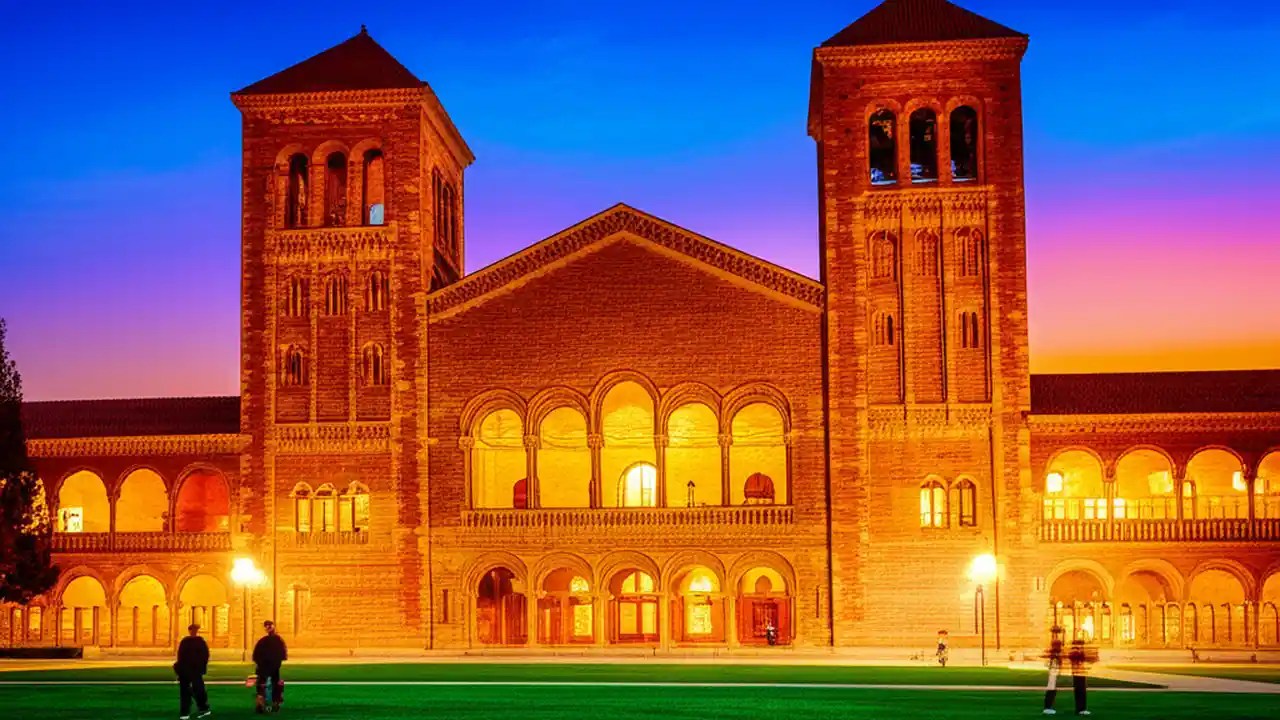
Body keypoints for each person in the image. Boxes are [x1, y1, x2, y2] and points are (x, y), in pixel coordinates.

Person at [174, 623, 211, 720]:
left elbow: (204, 656)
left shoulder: (196, 641)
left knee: (196, 690)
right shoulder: (189, 641)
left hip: (192, 670)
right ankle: (188, 711)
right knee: (190, 691)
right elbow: (181, 656)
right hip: (189, 670)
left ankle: (200, 709)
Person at [252, 620, 288, 713]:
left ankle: (270, 702)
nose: (268, 628)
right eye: (267, 626)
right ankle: (267, 702)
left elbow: (256, 654)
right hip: (268, 666)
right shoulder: (272, 640)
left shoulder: (270, 640)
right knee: (267, 684)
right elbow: (282, 654)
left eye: (269, 626)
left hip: (269, 666)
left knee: (267, 684)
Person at [1069, 638, 1093, 716]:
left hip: (1080, 673)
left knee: (1080, 691)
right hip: (1078, 673)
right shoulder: (1075, 652)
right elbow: (1081, 658)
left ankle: (1080, 709)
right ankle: (1081, 709)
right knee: (1080, 692)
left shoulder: (1075, 652)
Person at [1042, 627, 1064, 715]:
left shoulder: (1054, 644)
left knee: (1053, 687)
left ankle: (1049, 706)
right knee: (1051, 687)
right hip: (1053, 668)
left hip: (1054, 668)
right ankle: (1047, 707)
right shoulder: (1054, 649)